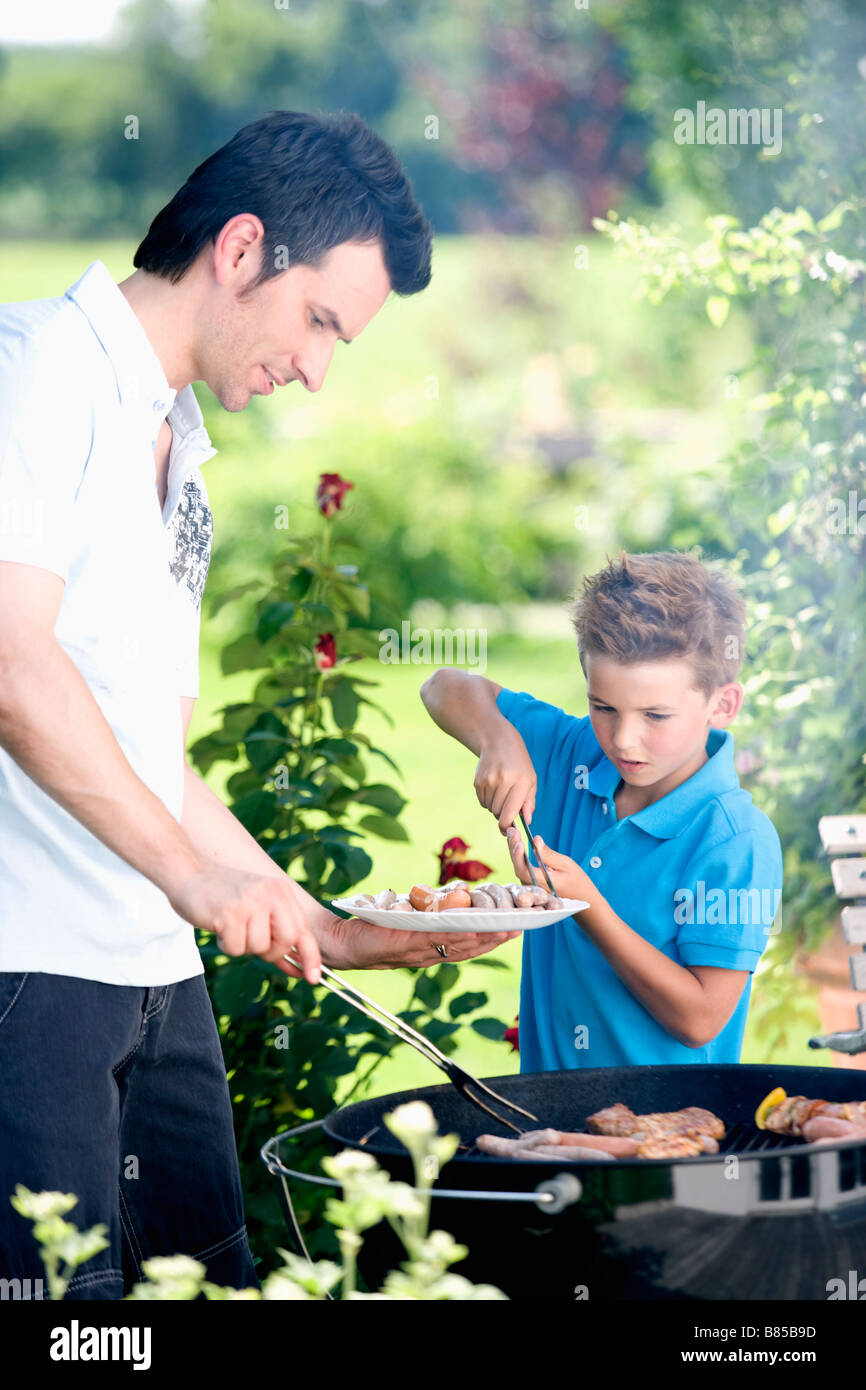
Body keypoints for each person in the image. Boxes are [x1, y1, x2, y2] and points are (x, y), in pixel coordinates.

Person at [0, 110, 517, 1299]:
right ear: (240, 251)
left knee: (214, 1289)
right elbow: (16, 667)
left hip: (156, 977)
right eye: (321, 320)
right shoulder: (34, 371)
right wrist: (197, 881)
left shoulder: (180, 453)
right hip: (29, 982)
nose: (319, 368)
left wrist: (320, 925)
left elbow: (157, 760)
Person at [421, 550, 784, 1072]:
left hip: (661, 1138)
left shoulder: (735, 838)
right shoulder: (573, 753)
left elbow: (701, 1020)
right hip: (543, 1122)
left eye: (656, 715)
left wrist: (587, 906)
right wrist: (498, 739)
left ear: (721, 705)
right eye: (603, 707)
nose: (623, 739)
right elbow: (443, 686)